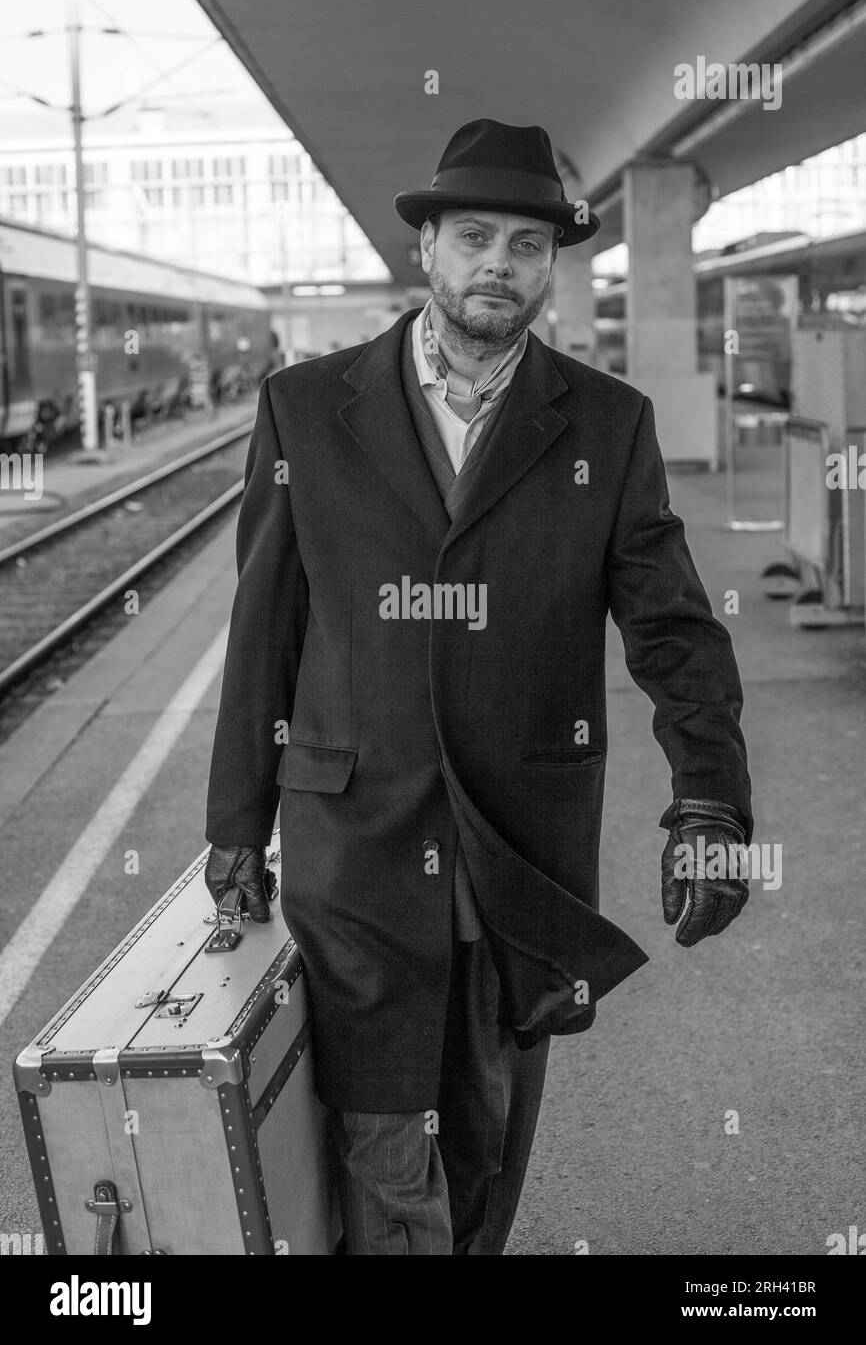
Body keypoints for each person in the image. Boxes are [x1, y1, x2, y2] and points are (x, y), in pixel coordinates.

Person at [204, 119, 752, 1256]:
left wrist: (710, 801)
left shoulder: (605, 422)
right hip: (354, 834)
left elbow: (670, 625)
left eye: (524, 244)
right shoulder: (305, 409)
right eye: (472, 237)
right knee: (378, 1125)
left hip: (521, 841)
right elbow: (265, 626)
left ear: (551, 266)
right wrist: (233, 827)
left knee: (488, 1131)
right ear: (427, 253)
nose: (496, 263)